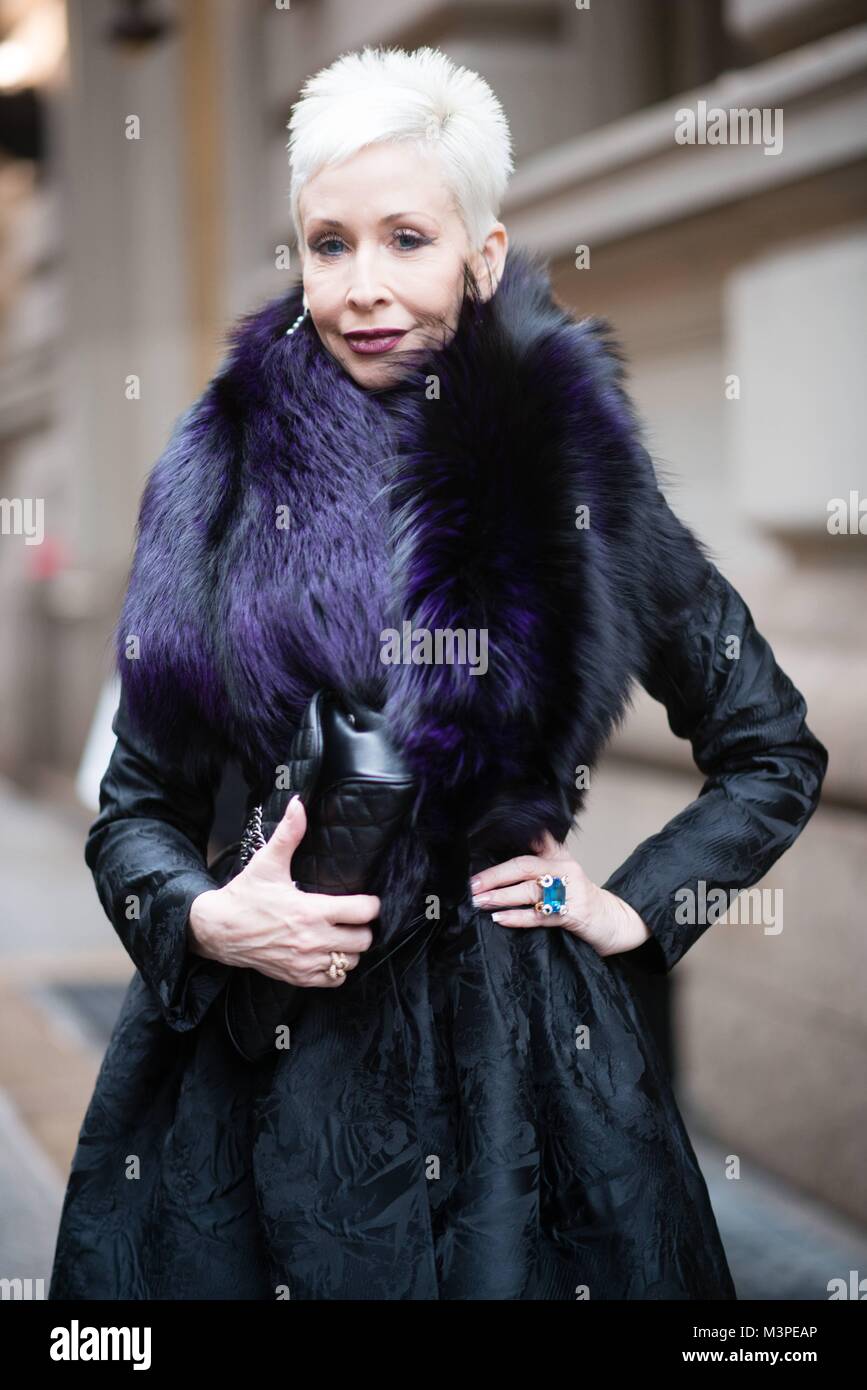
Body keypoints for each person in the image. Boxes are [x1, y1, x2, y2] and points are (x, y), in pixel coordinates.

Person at [49, 44, 828, 1301]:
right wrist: (208, 915)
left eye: (406, 238)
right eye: (329, 243)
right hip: (256, 1090)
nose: (364, 286)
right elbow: (132, 808)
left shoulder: (580, 482)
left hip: (515, 1079)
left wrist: (635, 909)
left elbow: (772, 747)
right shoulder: (215, 484)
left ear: (485, 252)